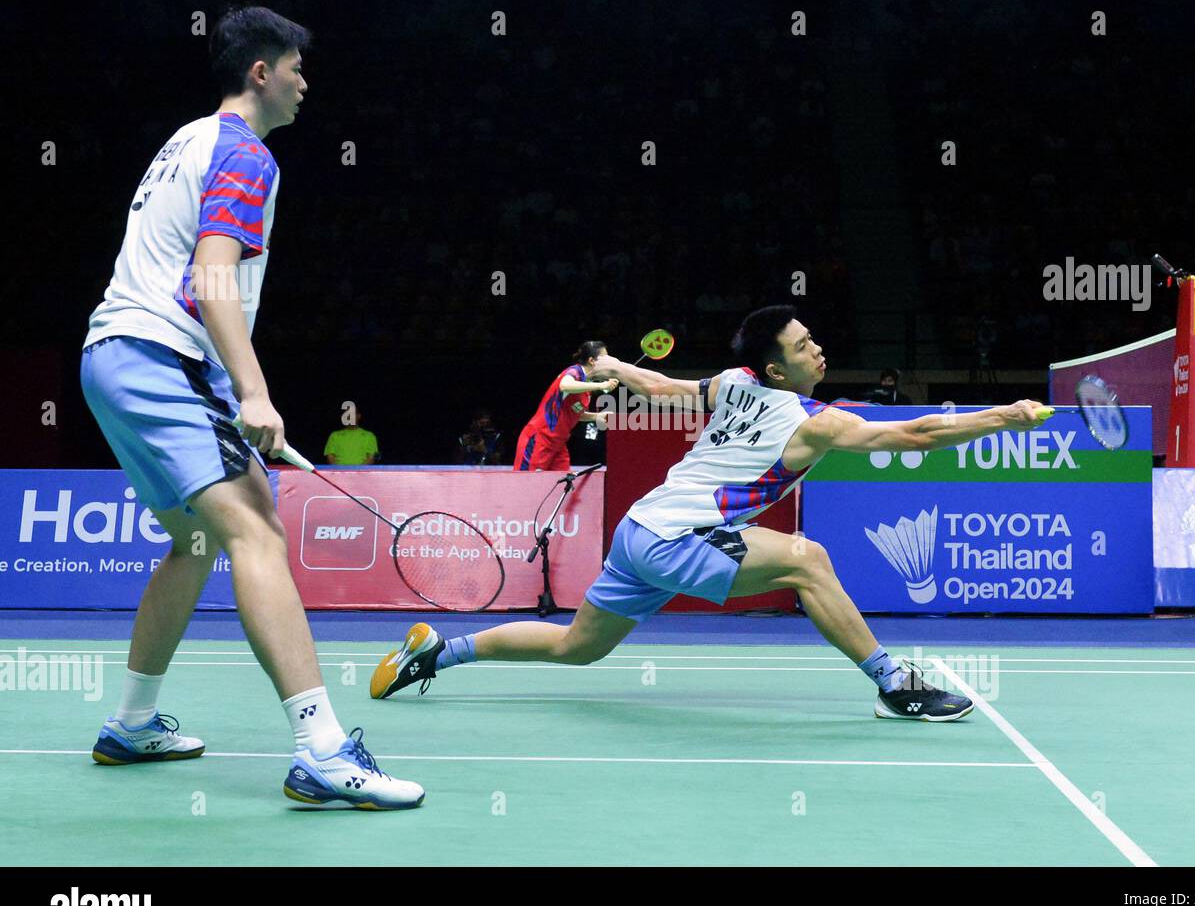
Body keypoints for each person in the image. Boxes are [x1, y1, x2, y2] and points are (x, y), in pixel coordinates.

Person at [372, 305, 1047, 723]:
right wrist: (1004, 415)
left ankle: (437, 651)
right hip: (677, 538)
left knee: (575, 647)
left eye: (813, 337)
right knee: (809, 561)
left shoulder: (733, 383)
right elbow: (919, 435)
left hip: (639, 530)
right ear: (777, 371)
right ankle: (896, 684)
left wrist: (608, 362)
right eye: (803, 343)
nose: (817, 347)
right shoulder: (812, 423)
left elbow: (663, 385)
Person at [79, 7, 422, 809]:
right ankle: (324, 751)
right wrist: (254, 391)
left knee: (194, 541)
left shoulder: (185, 140)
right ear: (261, 73)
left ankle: (130, 723)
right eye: (296, 67)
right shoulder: (245, 152)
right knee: (256, 525)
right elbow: (210, 274)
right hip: (162, 352)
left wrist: (231, 391)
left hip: (110, 358)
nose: (307, 82)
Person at [513, 340, 616, 471]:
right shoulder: (575, 372)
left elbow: (573, 413)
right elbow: (564, 385)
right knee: (526, 486)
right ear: (592, 361)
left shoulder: (586, 386)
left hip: (558, 444)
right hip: (539, 439)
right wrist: (602, 385)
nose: (610, 362)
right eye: (605, 358)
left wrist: (596, 416)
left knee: (562, 485)